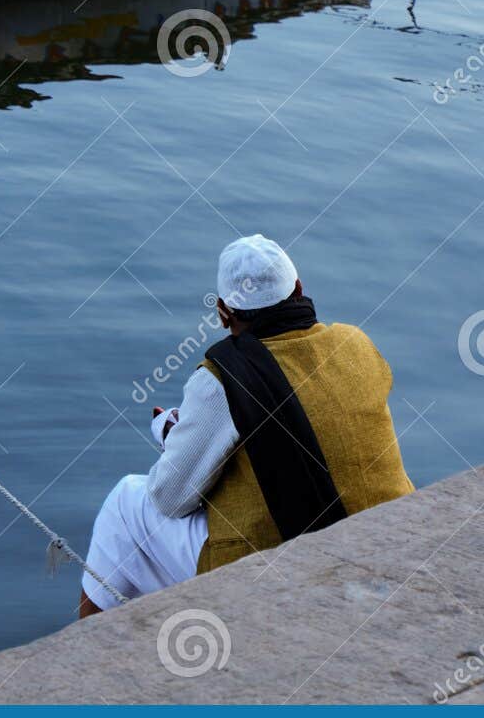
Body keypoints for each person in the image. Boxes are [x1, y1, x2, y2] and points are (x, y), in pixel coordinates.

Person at [78, 235, 414, 616]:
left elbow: (170, 499)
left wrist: (178, 438)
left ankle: (87, 649)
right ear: (299, 288)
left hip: (277, 563)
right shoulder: (355, 343)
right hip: (387, 531)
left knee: (126, 502)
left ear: (223, 312)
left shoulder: (220, 380)